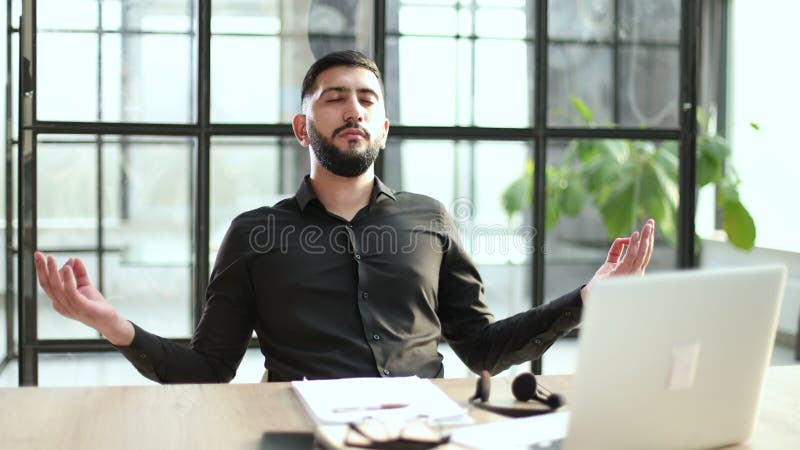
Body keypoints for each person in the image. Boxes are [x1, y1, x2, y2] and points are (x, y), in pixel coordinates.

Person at [34, 50, 655, 383]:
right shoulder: (255, 233)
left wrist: (587, 299)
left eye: (366, 99)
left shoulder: (430, 218)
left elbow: (484, 350)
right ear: (304, 126)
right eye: (334, 98)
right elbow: (209, 369)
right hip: (302, 430)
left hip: (426, 428)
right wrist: (117, 327)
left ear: (383, 127)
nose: (352, 109)